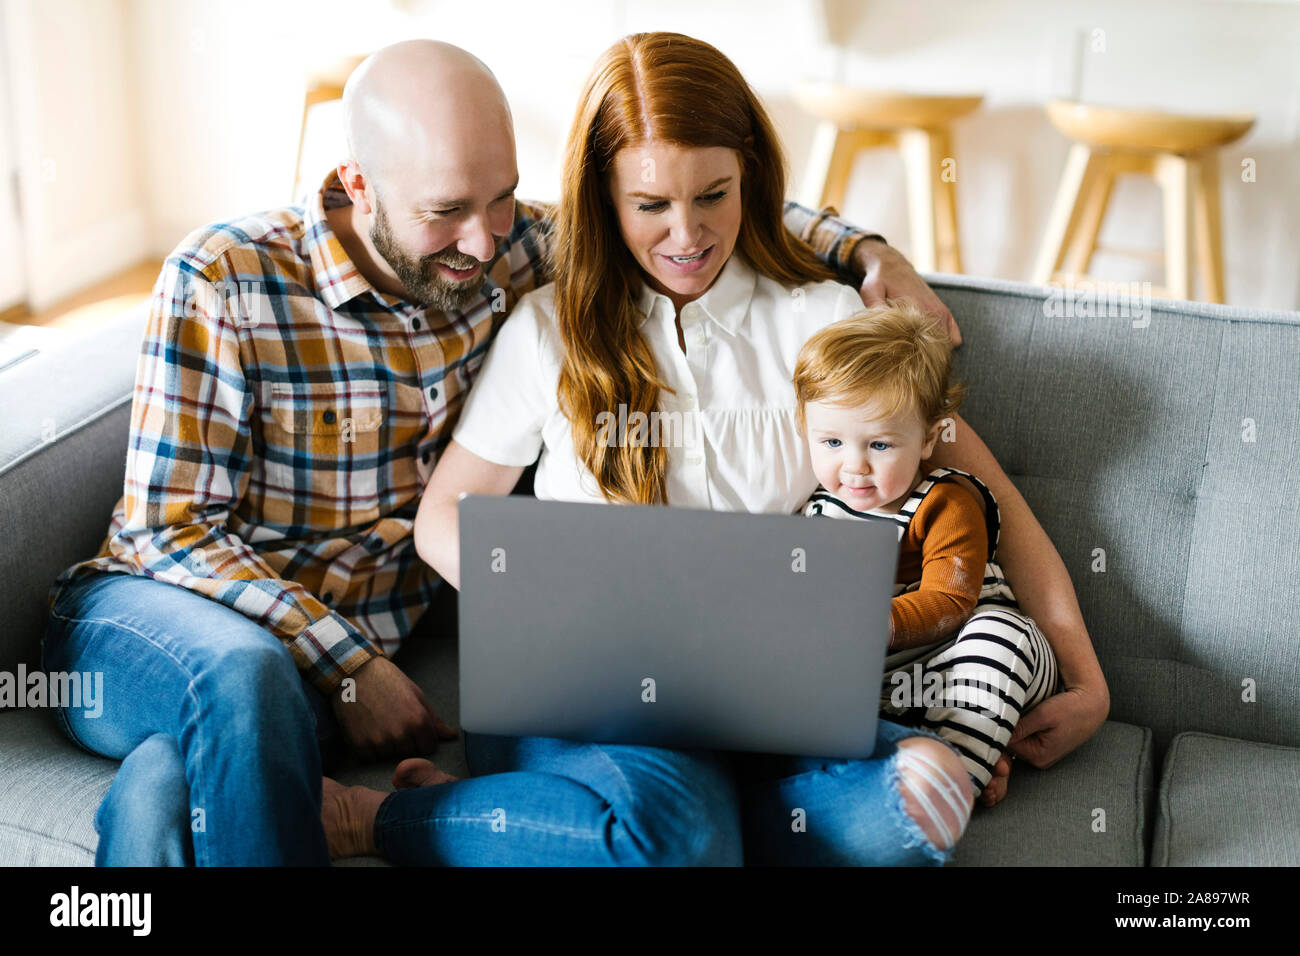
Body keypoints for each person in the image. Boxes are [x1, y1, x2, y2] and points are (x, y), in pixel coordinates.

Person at [40, 38, 956, 866]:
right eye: (448, 211)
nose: (485, 240)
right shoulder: (224, 279)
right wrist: (348, 662)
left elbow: (685, 202)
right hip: (161, 614)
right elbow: (169, 531)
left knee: (206, 754)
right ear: (357, 184)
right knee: (245, 679)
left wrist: (871, 251)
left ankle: (170, 792)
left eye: (504, 198)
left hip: (326, 679)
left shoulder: (510, 247)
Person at [321, 31, 1069, 866]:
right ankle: (388, 820)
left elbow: (981, 490)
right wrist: (559, 604)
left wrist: (1089, 684)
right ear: (603, 197)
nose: (688, 234)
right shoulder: (548, 331)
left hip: (773, 698)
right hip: (589, 696)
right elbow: (444, 519)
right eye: (650, 206)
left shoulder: (822, 323)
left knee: (922, 795)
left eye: (713, 194)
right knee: (686, 830)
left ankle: (541, 826)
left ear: (748, 172)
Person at [794, 301, 1060, 803]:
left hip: (967, 656)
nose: (854, 467)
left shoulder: (945, 502)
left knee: (1002, 636)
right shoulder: (816, 512)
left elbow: (949, 603)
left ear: (928, 439)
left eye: (879, 446)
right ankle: (943, 754)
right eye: (831, 441)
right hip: (889, 687)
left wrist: (865, 623)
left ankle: (949, 784)